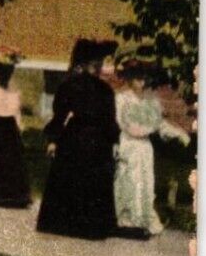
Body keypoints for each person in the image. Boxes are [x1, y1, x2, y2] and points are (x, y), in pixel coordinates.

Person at [36, 39, 121, 240]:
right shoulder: (77, 86)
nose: (99, 67)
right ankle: (78, 226)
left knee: (85, 182)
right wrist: (53, 140)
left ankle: (80, 225)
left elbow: (109, 119)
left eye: (100, 63)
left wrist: (114, 141)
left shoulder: (99, 89)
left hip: (89, 140)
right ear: (86, 63)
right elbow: (61, 114)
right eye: (96, 63)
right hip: (83, 139)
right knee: (79, 179)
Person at [113, 57, 190, 237]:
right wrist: (144, 129)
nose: (142, 82)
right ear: (129, 79)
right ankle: (126, 220)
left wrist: (179, 133)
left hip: (144, 147)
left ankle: (142, 219)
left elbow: (159, 123)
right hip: (129, 144)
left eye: (144, 78)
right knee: (129, 180)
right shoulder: (121, 98)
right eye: (137, 78)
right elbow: (123, 122)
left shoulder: (149, 99)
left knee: (145, 182)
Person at [0, 53, 32, 207]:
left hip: (9, 129)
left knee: (11, 162)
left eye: (8, 73)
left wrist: (19, 128)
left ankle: (12, 196)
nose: (6, 76)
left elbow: (16, 113)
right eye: (3, 72)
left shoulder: (14, 92)